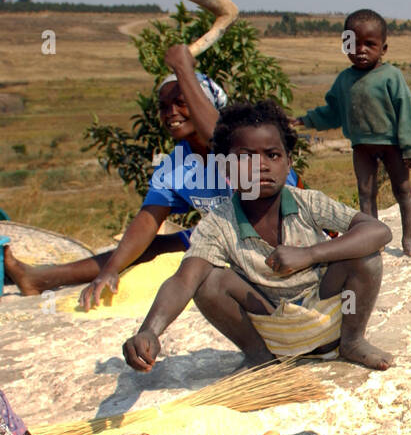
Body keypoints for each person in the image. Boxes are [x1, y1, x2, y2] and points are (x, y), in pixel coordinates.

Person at [3, 46, 296, 307]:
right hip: (226, 240)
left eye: (181, 102)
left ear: (204, 104)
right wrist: (111, 270)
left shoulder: (244, 146)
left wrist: (183, 69)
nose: (171, 113)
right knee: (148, 247)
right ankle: (39, 279)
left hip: (275, 237)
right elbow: (148, 220)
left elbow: (219, 138)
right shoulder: (175, 164)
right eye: (164, 107)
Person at [122, 100, 394, 373]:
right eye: (245, 157)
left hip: (328, 314)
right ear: (225, 167)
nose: (261, 166)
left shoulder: (308, 202)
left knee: (366, 256)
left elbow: (378, 231)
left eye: (272, 155)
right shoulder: (218, 224)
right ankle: (259, 357)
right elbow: (183, 281)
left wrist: (309, 254)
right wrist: (149, 331)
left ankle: (352, 340)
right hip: (271, 326)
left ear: (288, 163)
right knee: (209, 281)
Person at [294, 9, 411, 256]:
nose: (360, 50)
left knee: (403, 190)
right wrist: (304, 120)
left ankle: (408, 239)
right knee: (366, 192)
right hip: (361, 146)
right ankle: (373, 240)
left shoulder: (391, 77)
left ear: (383, 48)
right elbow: (332, 111)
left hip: (392, 144)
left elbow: (406, 112)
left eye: (369, 44)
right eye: (354, 44)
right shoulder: (344, 80)